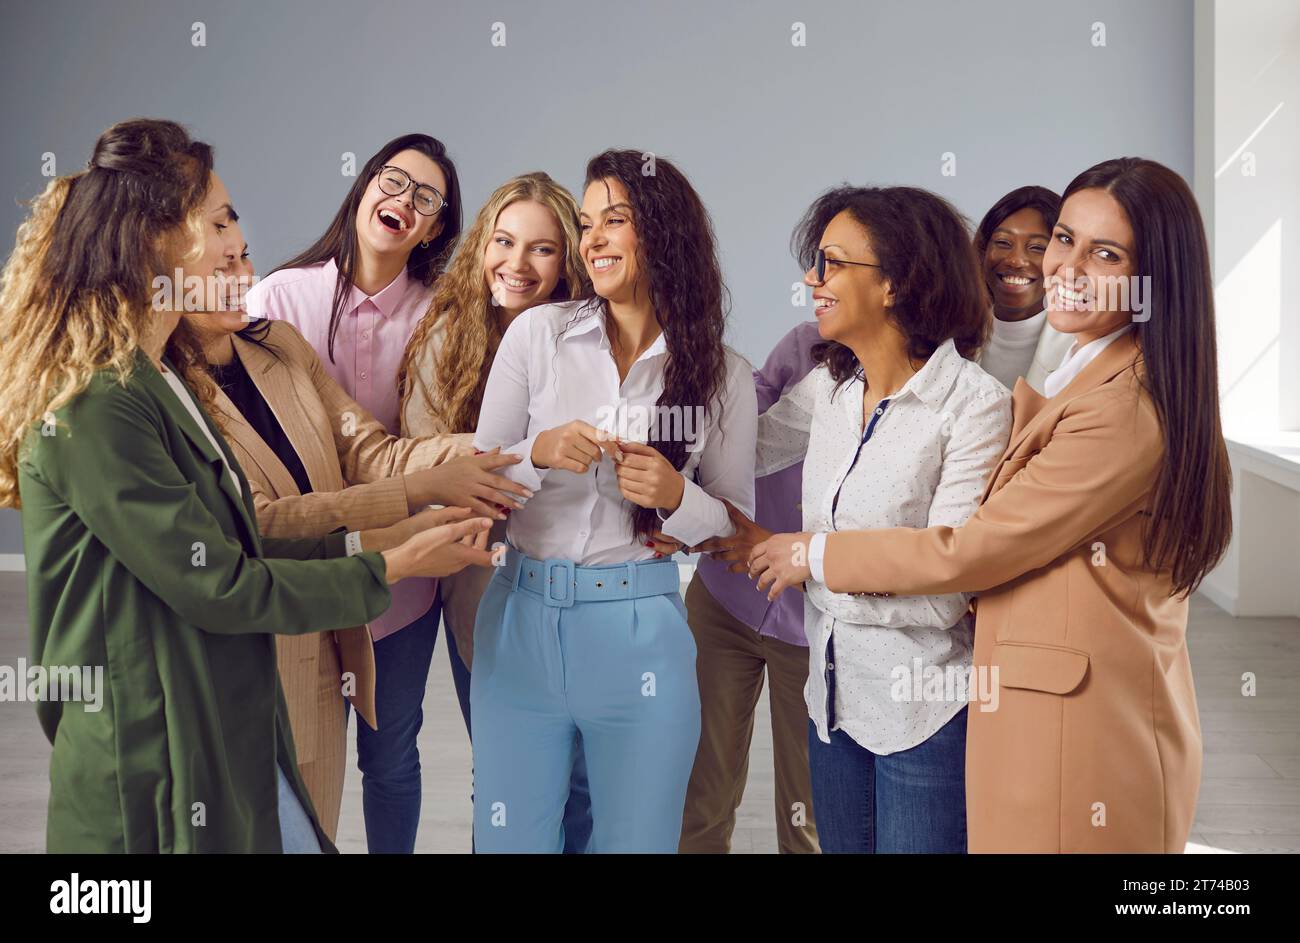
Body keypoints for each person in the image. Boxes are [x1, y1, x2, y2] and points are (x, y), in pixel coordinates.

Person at [0, 118, 493, 853]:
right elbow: (224, 583)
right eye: (218, 219)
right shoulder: (98, 405)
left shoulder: (162, 382)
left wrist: (408, 524)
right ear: (155, 239)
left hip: (217, 722)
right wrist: (395, 562)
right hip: (150, 758)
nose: (238, 241)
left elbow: (240, 535)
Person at [749, 158, 1233, 853]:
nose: (1062, 264)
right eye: (1064, 238)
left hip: (1075, 729)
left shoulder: (1120, 408)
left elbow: (975, 548)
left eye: (1105, 253)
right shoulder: (1089, 377)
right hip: (1023, 710)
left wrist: (812, 553)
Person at [185, 220, 529, 841]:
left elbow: (372, 451)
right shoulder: (167, 392)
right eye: (220, 268)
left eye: (244, 259)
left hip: (322, 643)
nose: (243, 281)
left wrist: (507, 448)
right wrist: (411, 512)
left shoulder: (280, 347)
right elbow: (258, 522)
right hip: (241, 642)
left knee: (315, 820)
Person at [470, 150, 757, 853]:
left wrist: (676, 495)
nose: (591, 239)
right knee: (510, 842)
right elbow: (478, 480)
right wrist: (538, 452)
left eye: (614, 221)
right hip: (520, 623)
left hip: (640, 638)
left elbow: (735, 523)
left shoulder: (725, 376)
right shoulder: (537, 335)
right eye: (587, 223)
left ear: (660, 233)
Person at [713, 186, 1010, 853]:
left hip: (923, 716)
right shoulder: (833, 390)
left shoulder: (974, 407)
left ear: (896, 285)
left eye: (830, 264)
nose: (810, 281)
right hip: (832, 705)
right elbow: (740, 451)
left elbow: (946, 585)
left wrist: (812, 559)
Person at [246, 133, 468, 853]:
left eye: (425, 197)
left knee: (390, 754)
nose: (403, 200)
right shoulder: (278, 297)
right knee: (302, 757)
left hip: (400, 580)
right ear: (365, 184)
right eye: (393, 180)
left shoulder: (441, 317)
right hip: (303, 567)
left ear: (434, 226)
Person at [400, 171, 595, 850]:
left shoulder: (592, 342)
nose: (515, 263)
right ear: (482, 242)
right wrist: (529, 455)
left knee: (582, 783)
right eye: (504, 240)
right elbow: (429, 468)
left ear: (569, 260)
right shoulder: (445, 339)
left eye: (541, 249)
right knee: (510, 778)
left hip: (581, 594)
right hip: (485, 593)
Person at [676, 319, 823, 854]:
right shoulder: (808, 343)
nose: (819, 280)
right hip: (726, 594)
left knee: (808, 813)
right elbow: (742, 417)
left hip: (815, 622)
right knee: (699, 791)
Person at [973, 186, 1073, 391]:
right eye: (1003, 243)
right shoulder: (953, 332)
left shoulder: (1078, 346)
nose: (1016, 261)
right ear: (983, 250)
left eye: (1037, 247)